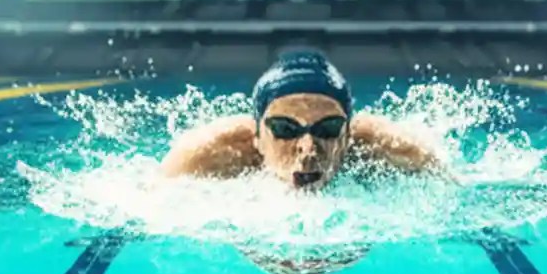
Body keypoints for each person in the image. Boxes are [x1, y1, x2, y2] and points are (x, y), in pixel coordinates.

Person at [159, 47, 444, 188]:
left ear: (348, 136)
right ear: (256, 137)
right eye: (285, 128)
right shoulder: (207, 153)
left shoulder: (392, 148)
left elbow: (455, 194)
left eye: (328, 128)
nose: (308, 148)